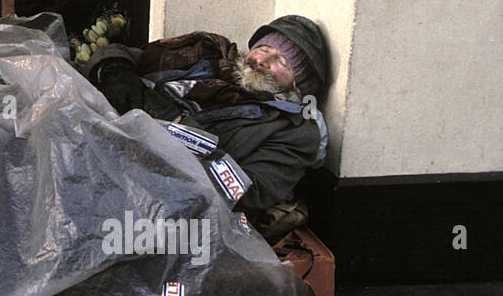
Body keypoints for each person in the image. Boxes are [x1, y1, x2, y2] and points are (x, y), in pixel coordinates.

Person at [82, 15, 330, 239]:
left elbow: (246, 192)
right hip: (105, 150)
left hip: (167, 209)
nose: (262, 61)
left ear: (299, 85)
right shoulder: (210, 58)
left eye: (282, 62)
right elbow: (121, 52)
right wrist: (115, 70)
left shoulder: (294, 131)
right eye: (263, 49)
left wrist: (177, 125)